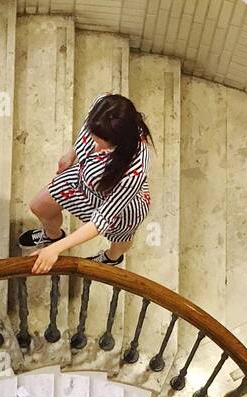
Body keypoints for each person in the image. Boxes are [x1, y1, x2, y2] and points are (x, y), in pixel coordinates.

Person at [19, 93, 153, 274]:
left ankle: (112, 258)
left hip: (121, 207)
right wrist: (72, 153)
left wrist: (55, 250)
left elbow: (102, 219)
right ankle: (52, 236)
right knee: (39, 206)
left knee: (120, 238)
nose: (95, 148)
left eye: (102, 143)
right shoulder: (103, 106)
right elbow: (88, 130)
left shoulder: (134, 171)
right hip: (82, 180)